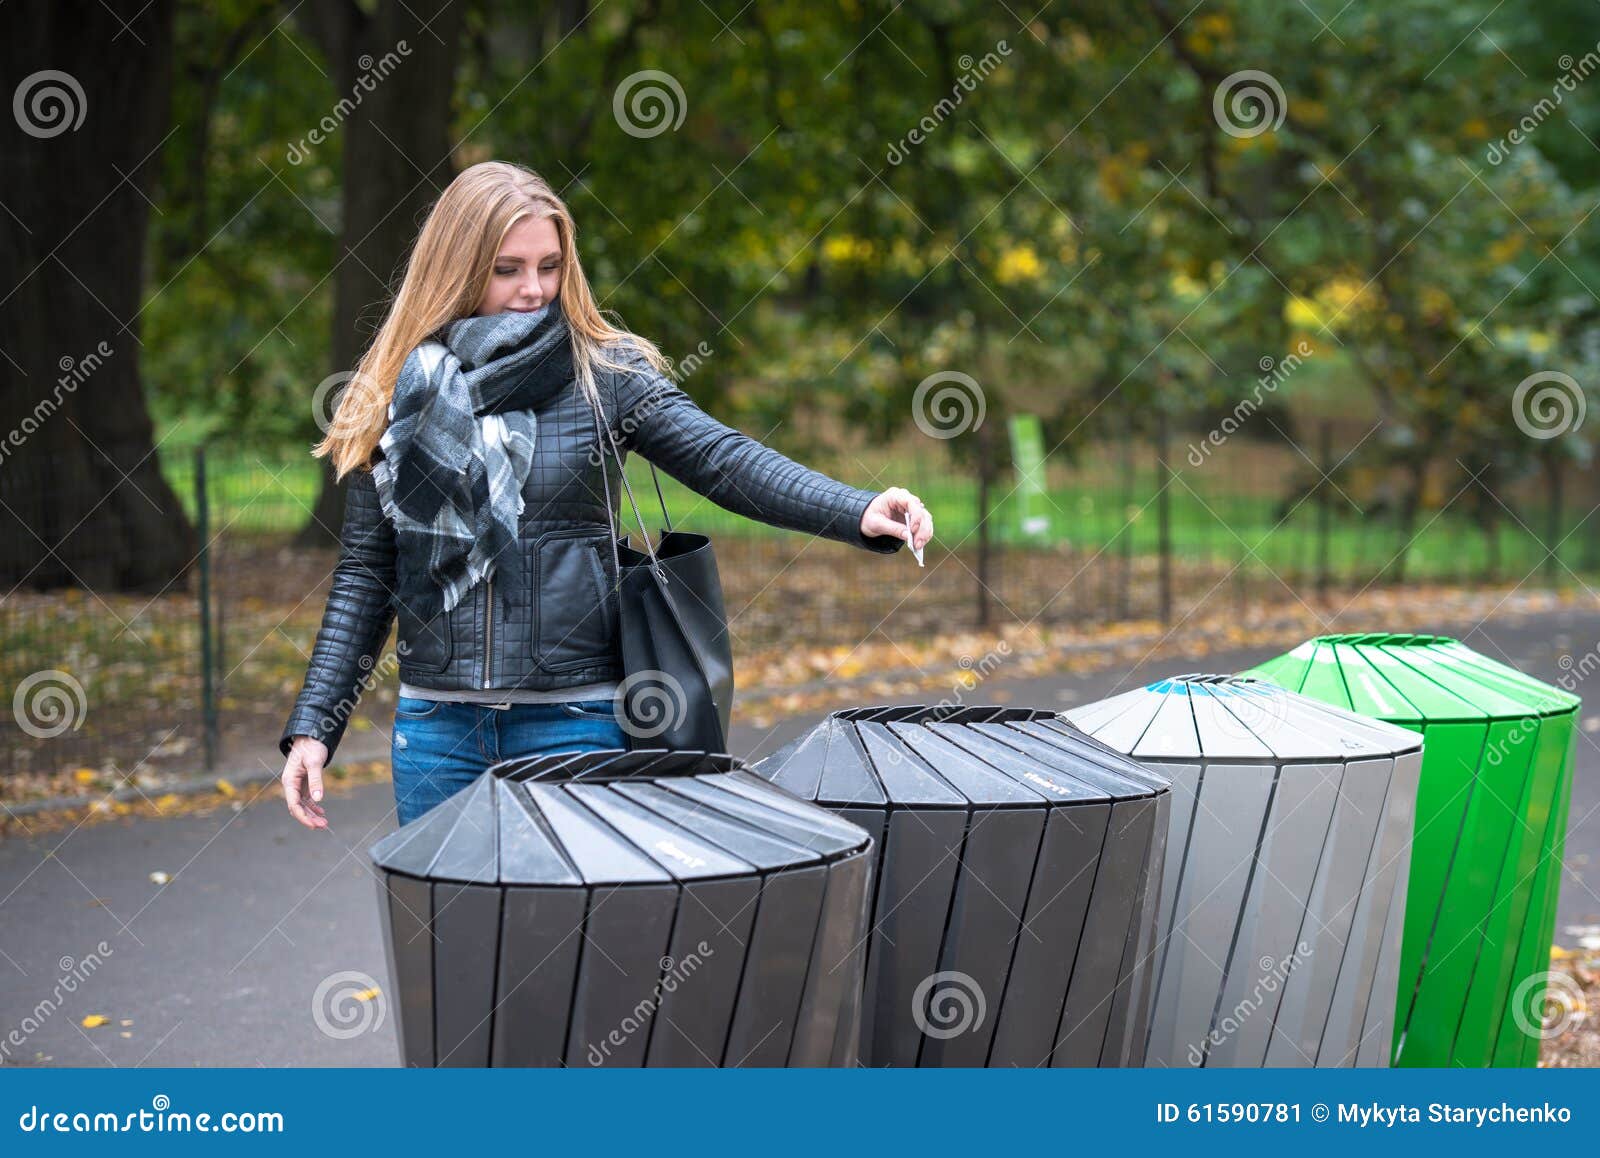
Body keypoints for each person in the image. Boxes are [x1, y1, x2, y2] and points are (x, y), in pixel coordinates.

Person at [277, 160, 933, 830]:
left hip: (574, 725)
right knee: (457, 933)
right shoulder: (398, 392)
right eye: (507, 269)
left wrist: (854, 508)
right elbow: (366, 571)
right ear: (456, 266)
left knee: (578, 934)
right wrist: (315, 726)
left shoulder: (604, 377)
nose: (534, 289)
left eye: (549, 266)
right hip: (438, 731)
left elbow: (721, 459)